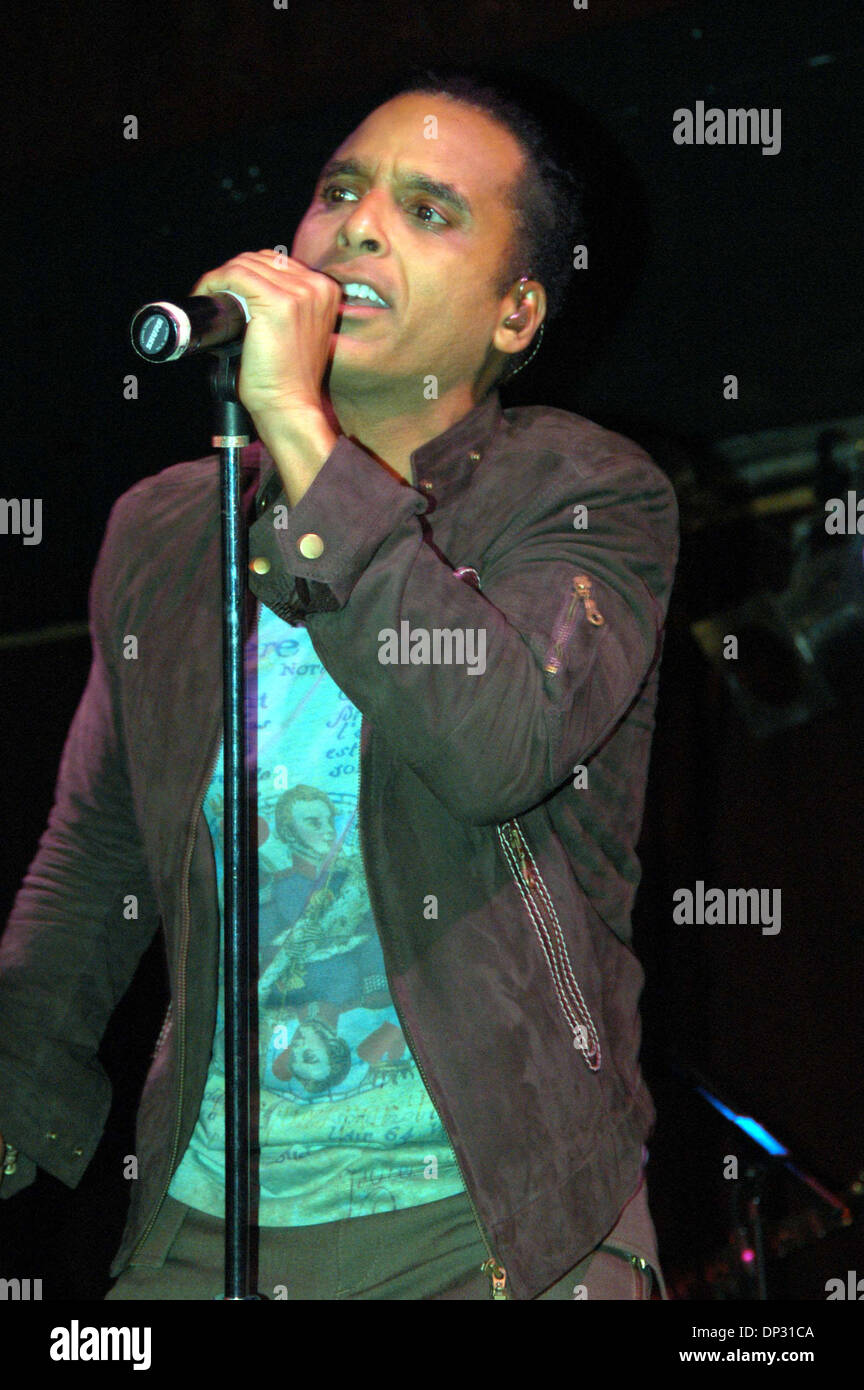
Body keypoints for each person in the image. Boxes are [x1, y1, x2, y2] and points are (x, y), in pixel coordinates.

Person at [0, 72, 679, 1300]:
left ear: (515, 313)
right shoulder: (166, 531)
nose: (358, 226)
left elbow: (495, 748)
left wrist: (299, 433)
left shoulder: (584, 495)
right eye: (340, 193)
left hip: (491, 1228)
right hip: (210, 1224)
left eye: (429, 212)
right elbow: (94, 859)